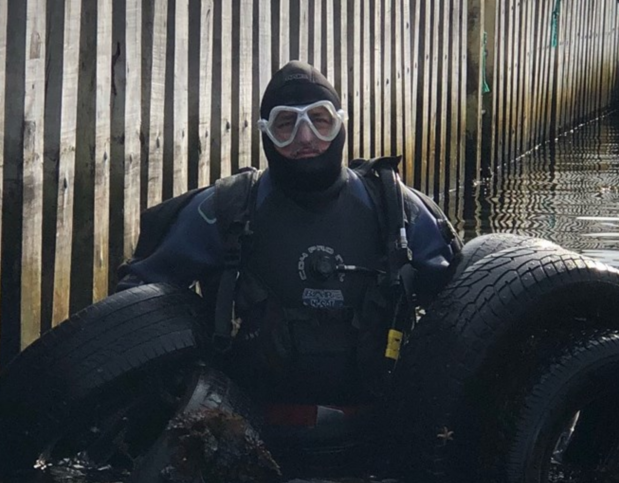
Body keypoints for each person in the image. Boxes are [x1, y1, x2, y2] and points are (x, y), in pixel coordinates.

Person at [116, 61, 460, 410]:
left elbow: (466, 307)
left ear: (339, 124)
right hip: (243, 432)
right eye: (287, 124)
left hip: (376, 427)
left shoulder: (396, 208)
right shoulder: (225, 210)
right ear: (266, 133)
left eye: (319, 120)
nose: (306, 138)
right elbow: (134, 301)